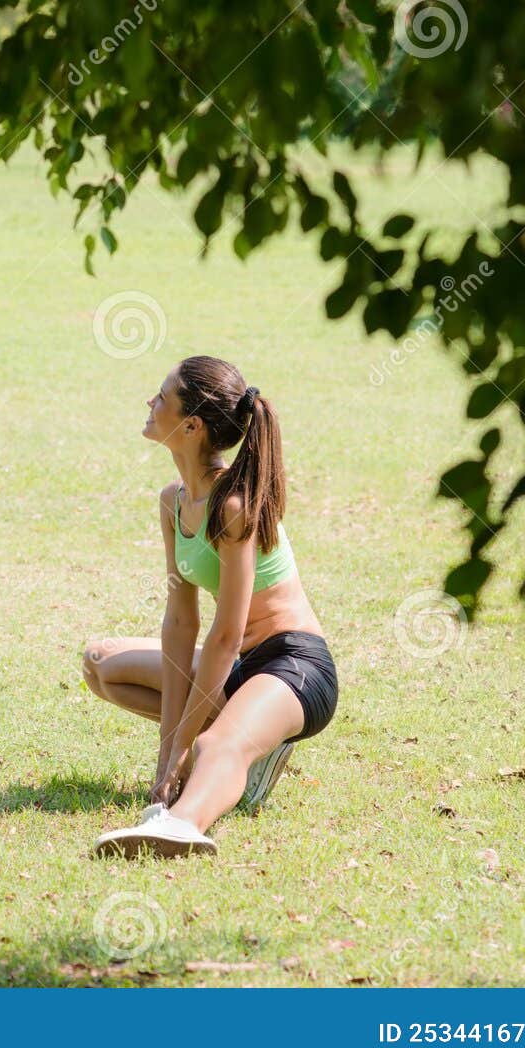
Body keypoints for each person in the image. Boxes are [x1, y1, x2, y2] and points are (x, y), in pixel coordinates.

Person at [82, 356, 338, 856]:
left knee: (211, 745)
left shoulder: (234, 506)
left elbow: (223, 635)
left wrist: (185, 748)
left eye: (161, 397)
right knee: (102, 666)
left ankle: (181, 826)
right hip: (238, 666)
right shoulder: (173, 501)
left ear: (192, 425)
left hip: (294, 666)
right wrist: (166, 756)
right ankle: (248, 753)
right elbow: (181, 623)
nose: (150, 403)